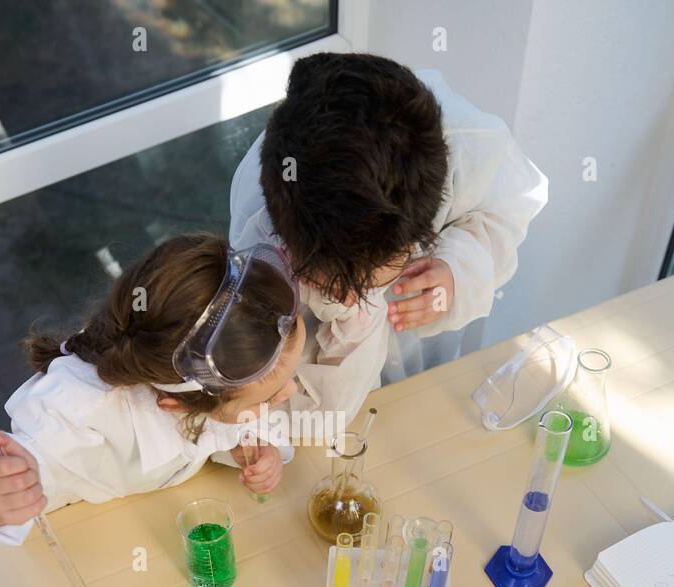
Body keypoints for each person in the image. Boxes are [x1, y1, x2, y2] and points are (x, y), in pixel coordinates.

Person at [0, 234, 304, 546]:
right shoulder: (78, 415)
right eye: (267, 400)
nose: (286, 394)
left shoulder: (206, 374)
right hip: (82, 554)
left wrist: (252, 445)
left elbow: (223, 424)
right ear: (174, 405)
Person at [230, 52, 548, 409]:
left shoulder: (472, 144)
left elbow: (509, 209)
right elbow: (255, 356)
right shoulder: (260, 216)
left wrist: (458, 270)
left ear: (417, 232)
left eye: (368, 284)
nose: (352, 301)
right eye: (329, 287)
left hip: (419, 361)